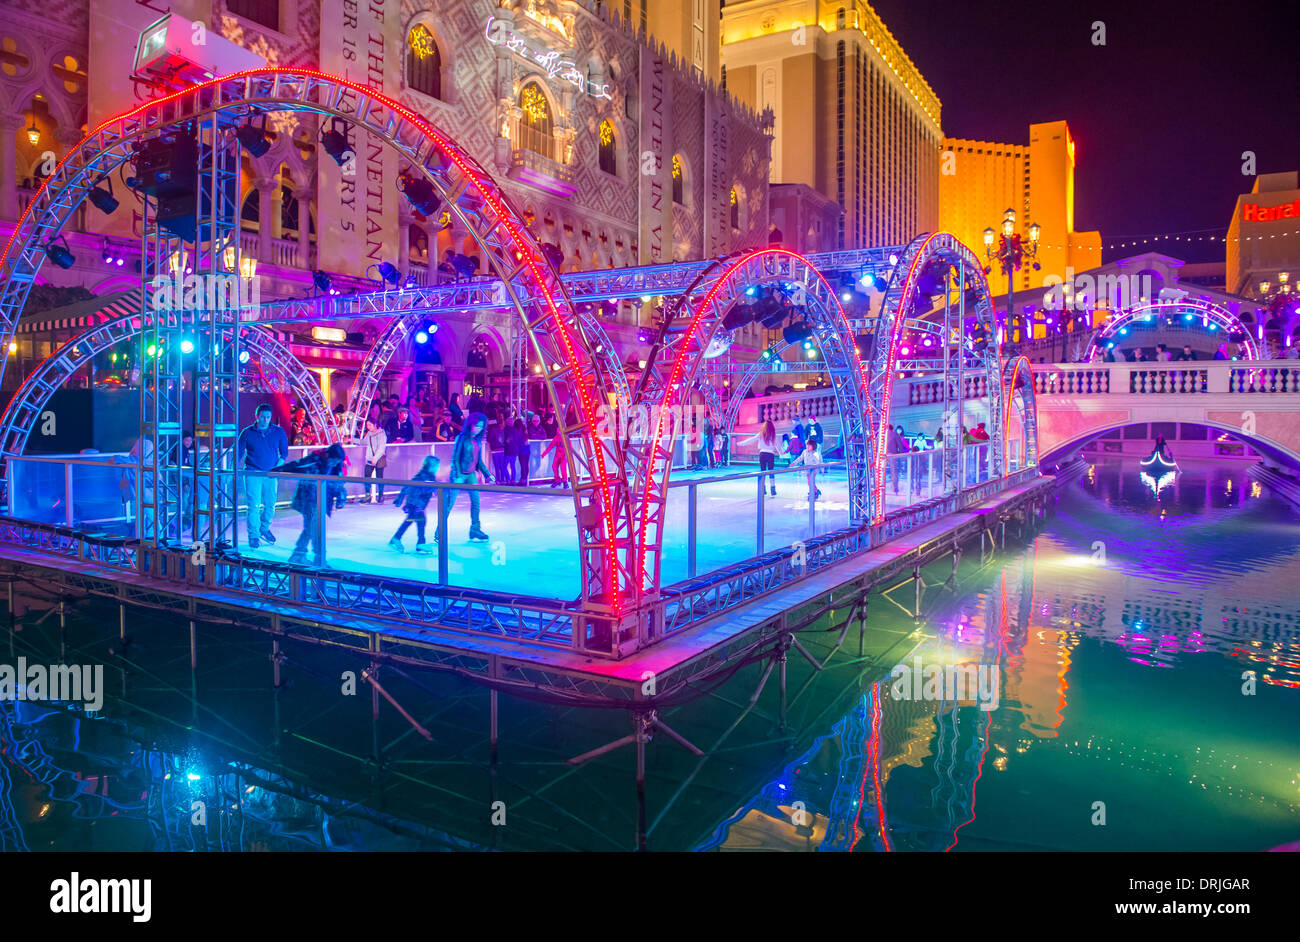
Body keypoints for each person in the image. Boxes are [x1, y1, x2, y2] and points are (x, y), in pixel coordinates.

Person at [276, 443, 346, 566]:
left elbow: (338, 481)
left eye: (337, 461)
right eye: (334, 460)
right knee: (315, 529)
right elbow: (297, 465)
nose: (335, 463)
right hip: (309, 499)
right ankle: (316, 557)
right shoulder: (315, 459)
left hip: (322, 499)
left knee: (311, 528)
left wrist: (341, 496)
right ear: (328, 455)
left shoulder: (337, 465)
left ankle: (300, 555)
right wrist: (276, 471)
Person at [237, 403, 289, 549]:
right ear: (257, 417)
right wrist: (233, 469)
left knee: (270, 505)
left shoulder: (278, 432)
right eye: (263, 417)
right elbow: (239, 453)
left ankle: (264, 528)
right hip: (253, 473)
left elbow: (284, 452)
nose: (266, 420)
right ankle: (253, 535)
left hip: (270, 474)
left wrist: (279, 464)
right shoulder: (247, 433)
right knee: (253, 506)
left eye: (268, 417)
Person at [438, 411, 492, 542]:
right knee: (449, 504)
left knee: (476, 502)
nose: (478, 429)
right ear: (470, 425)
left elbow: (478, 461)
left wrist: (488, 474)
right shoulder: (462, 438)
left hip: (471, 475)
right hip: (459, 474)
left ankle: (475, 529)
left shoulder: (477, 441)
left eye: (481, 426)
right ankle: (439, 532)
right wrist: (457, 474)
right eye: (476, 426)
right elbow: (455, 458)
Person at [389, 455, 440, 555]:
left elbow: (410, 485)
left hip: (416, 503)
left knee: (413, 521)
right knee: (419, 521)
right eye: (436, 466)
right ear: (431, 467)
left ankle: (398, 538)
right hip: (416, 504)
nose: (437, 469)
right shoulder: (425, 476)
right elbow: (414, 487)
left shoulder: (425, 475)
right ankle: (418, 543)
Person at [742, 420, 780, 497]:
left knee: (763, 471)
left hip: (762, 453)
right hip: (770, 454)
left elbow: (752, 439)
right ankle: (773, 489)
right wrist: (782, 452)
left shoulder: (761, 434)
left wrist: (742, 443)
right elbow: (778, 445)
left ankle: (763, 489)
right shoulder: (773, 435)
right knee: (771, 471)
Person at [361, 417, 388, 503]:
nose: (368, 427)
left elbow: (381, 448)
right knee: (367, 477)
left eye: (370, 425)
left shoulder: (381, 434)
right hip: (369, 458)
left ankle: (380, 495)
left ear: (375, 425)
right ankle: (368, 495)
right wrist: (352, 440)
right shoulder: (369, 434)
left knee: (379, 478)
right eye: (367, 425)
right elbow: (364, 442)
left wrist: (375, 458)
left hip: (379, 459)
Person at [788, 437, 824, 502]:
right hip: (807, 469)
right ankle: (815, 490)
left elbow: (819, 462)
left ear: (813, 447)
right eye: (807, 446)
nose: (807, 447)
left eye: (809, 446)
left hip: (814, 470)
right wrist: (793, 463)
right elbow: (800, 458)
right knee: (810, 482)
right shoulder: (804, 452)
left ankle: (813, 492)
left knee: (810, 482)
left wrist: (822, 470)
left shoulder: (815, 454)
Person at [504, 417, 529, 485]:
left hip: (513, 450)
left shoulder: (514, 430)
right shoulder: (522, 430)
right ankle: (517, 480)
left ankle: (511, 480)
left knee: (506, 466)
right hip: (518, 451)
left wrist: (507, 442)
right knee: (516, 466)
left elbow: (509, 440)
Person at [887, 425, 908, 495]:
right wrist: (901, 453)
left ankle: (880, 488)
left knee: (881, 471)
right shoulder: (895, 434)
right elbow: (900, 445)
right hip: (892, 454)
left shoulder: (882, 434)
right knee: (894, 471)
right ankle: (895, 488)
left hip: (882, 455)